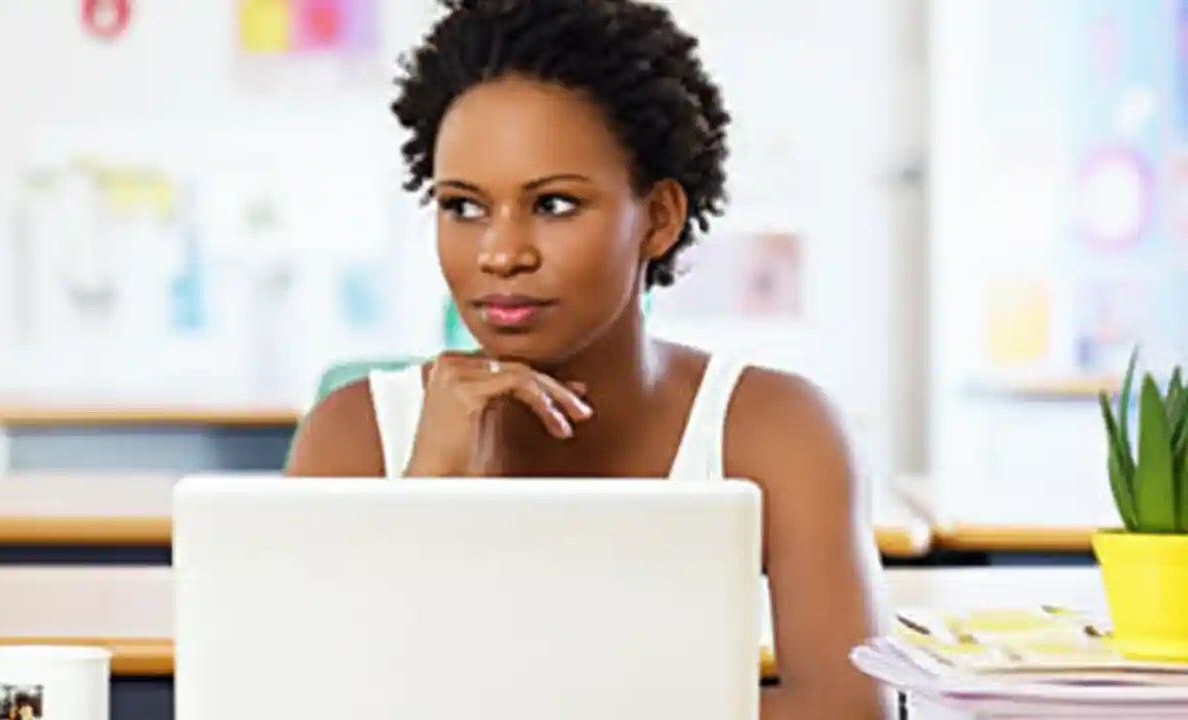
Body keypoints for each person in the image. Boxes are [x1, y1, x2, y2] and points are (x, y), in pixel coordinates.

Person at [287, 1, 891, 716]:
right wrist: (425, 498)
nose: (501, 252)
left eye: (554, 205)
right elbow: (298, 699)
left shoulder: (777, 432)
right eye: (464, 207)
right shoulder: (353, 437)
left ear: (659, 219)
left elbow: (848, 711)